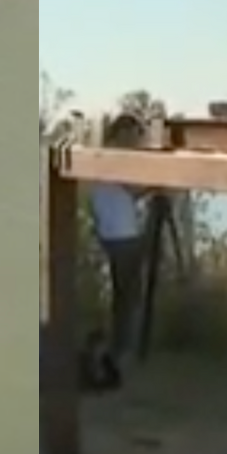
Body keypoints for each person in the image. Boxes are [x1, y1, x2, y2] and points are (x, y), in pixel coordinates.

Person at [84, 115, 150, 389]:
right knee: (127, 299)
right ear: (121, 133)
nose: (135, 142)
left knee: (121, 298)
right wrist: (161, 184)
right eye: (133, 136)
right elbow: (133, 188)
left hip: (111, 233)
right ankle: (113, 356)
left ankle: (108, 352)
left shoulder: (99, 156)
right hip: (123, 234)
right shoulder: (115, 158)